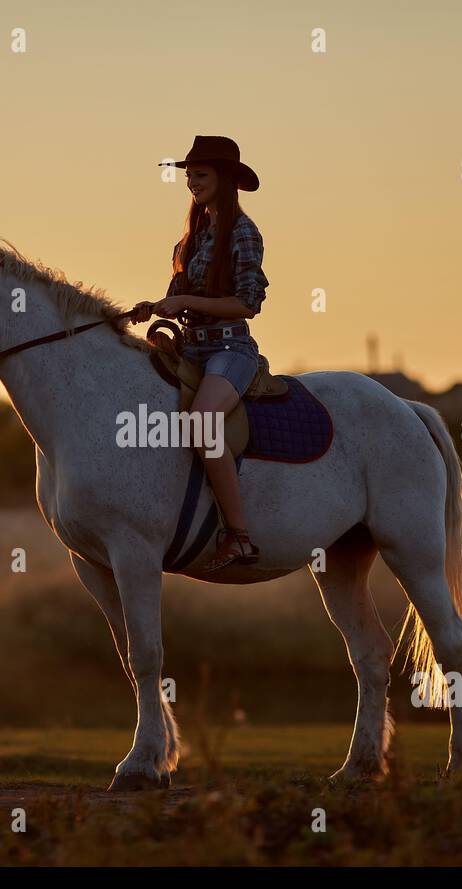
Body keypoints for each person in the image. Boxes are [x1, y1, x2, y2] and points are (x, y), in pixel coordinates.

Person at [131, 135, 270, 572]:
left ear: (225, 180)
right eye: (188, 175)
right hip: (192, 349)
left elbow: (249, 303)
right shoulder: (188, 239)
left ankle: (240, 536)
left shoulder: (244, 232)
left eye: (201, 175)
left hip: (230, 349)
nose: (191, 182)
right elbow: (178, 298)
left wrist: (187, 305)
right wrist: (154, 307)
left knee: (202, 422)